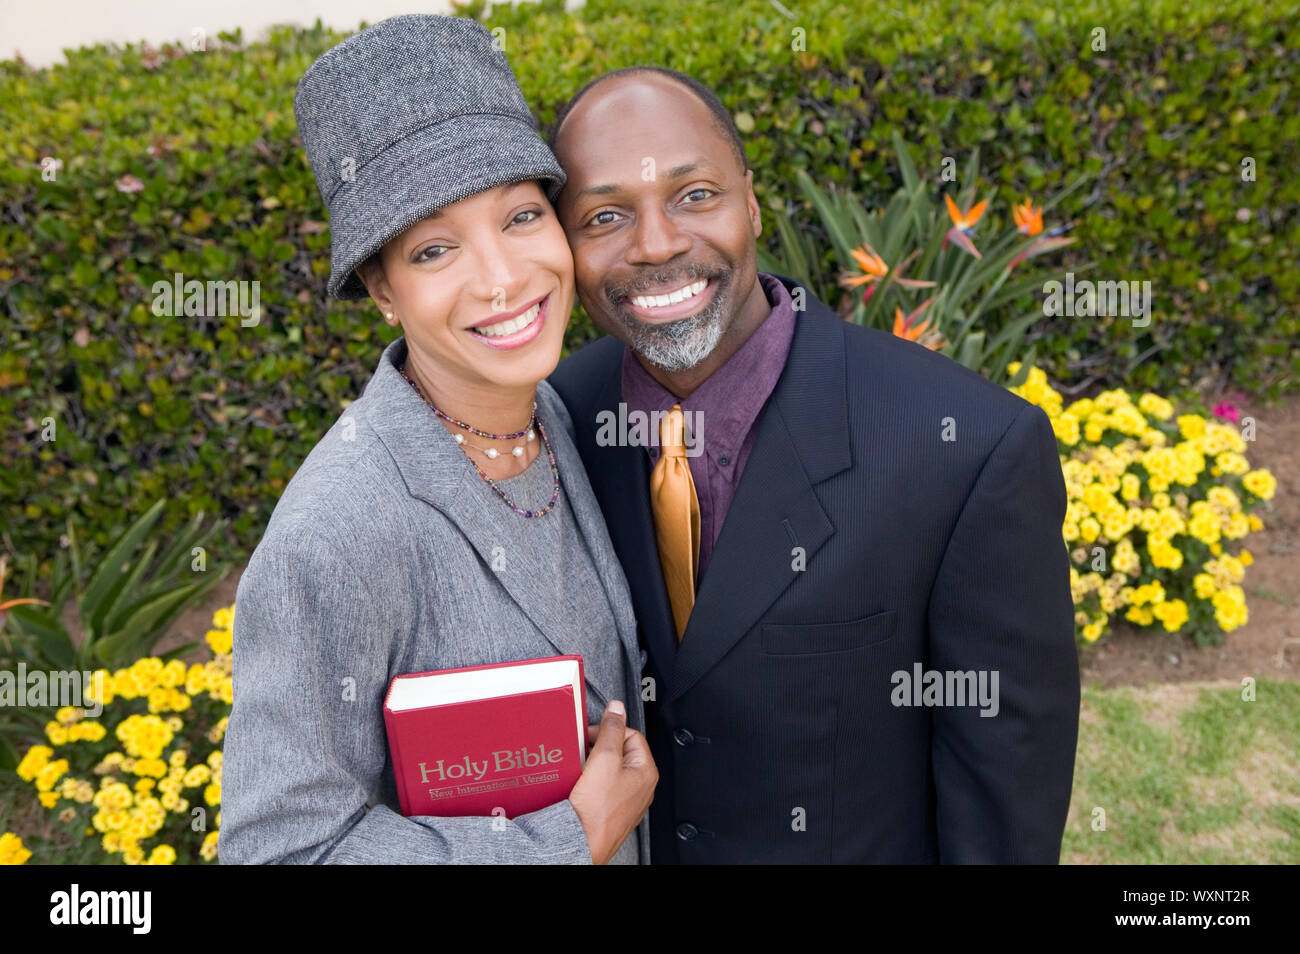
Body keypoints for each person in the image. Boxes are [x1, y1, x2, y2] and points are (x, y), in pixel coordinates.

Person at [546, 66, 1081, 863]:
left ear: (751, 201)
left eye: (696, 196)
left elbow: (1003, 806)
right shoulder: (552, 418)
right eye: (605, 215)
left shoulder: (969, 448)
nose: (656, 243)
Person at [218, 15, 656, 865]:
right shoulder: (340, 528)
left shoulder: (559, 415)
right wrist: (570, 840)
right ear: (383, 291)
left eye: (522, 216)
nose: (501, 278)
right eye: (435, 249)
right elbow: (281, 852)